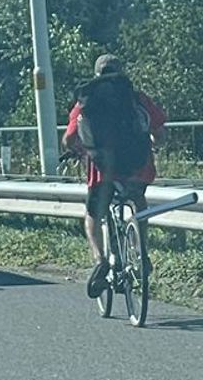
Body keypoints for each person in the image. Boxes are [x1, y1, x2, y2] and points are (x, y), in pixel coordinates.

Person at [63, 55, 167, 298]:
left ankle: (100, 260)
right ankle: (140, 251)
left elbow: (69, 138)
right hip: (136, 167)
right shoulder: (136, 98)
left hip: (102, 171)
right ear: (122, 71)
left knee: (92, 215)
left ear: (97, 73)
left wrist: (79, 150)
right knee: (138, 204)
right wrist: (153, 142)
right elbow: (160, 132)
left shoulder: (87, 99)